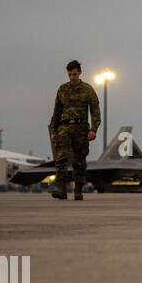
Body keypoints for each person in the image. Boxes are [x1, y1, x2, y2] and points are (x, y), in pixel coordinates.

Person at [47, 60, 100, 201]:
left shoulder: (88, 90)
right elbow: (56, 111)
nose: (72, 77)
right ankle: (62, 191)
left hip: (81, 128)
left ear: (80, 73)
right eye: (69, 74)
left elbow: (95, 111)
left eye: (74, 74)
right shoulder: (62, 89)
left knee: (79, 160)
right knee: (61, 158)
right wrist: (53, 130)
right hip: (64, 127)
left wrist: (94, 129)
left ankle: (78, 191)